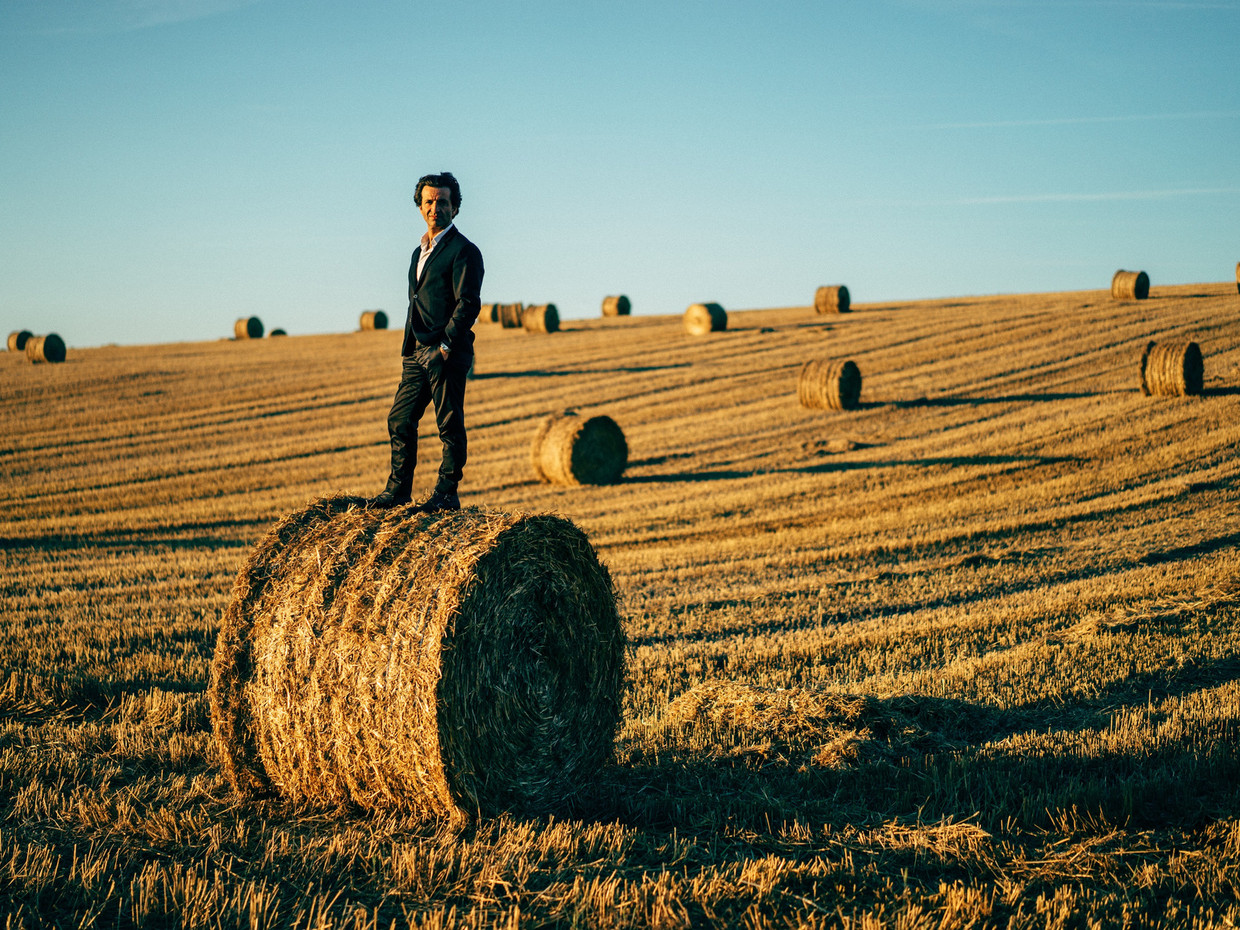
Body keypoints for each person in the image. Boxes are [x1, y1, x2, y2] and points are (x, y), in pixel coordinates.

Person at [370, 172, 484, 512]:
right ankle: (398, 491)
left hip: (446, 352)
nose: (436, 208)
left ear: (456, 208)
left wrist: (445, 346)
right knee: (399, 420)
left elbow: (468, 303)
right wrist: (412, 347)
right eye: (430, 202)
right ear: (420, 207)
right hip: (416, 351)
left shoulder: (465, 251)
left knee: (448, 424)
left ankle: (446, 493)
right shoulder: (417, 252)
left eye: (443, 202)